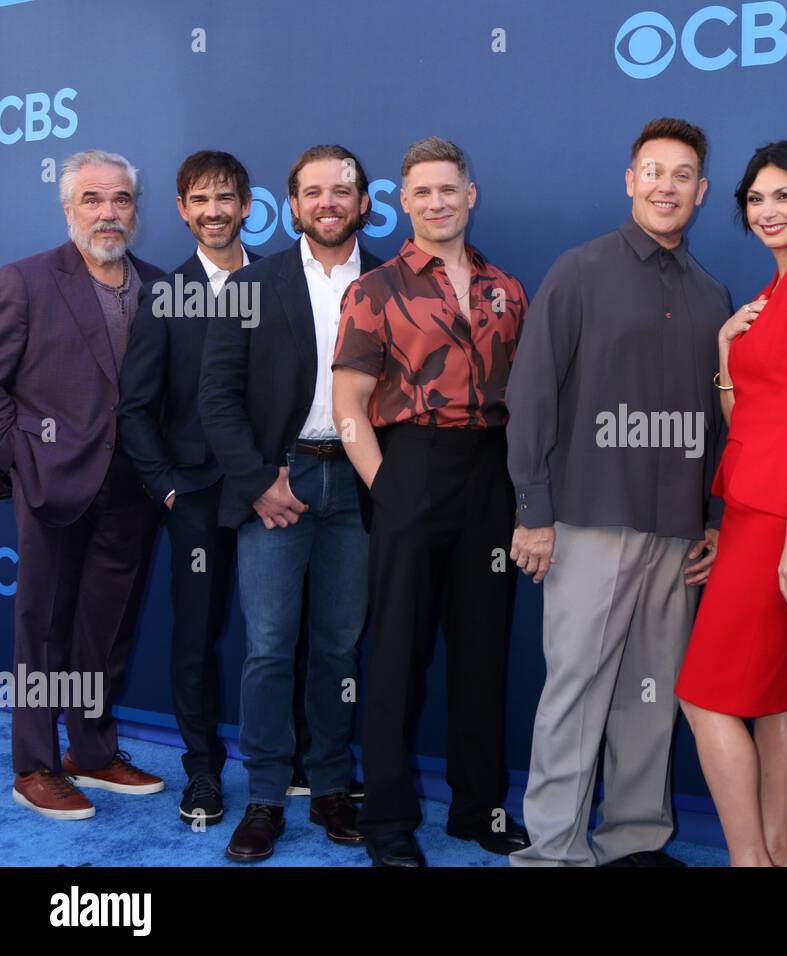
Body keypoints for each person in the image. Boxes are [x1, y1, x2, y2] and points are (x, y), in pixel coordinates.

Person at [506, 118, 730, 867]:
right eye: (653, 171)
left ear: (700, 192)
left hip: (676, 529)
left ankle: (634, 840)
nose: (666, 186)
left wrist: (710, 519)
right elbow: (532, 396)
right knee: (575, 692)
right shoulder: (579, 271)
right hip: (589, 517)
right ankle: (553, 850)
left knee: (651, 691)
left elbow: (715, 420)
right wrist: (532, 514)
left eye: (682, 175)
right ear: (630, 181)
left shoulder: (711, 293)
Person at [333, 137, 530, 867]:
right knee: (395, 657)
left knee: (484, 650)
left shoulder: (507, 288)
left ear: (470, 195)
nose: (437, 202)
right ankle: (387, 822)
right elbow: (348, 403)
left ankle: (478, 809)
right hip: (408, 468)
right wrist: (388, 489)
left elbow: (529, 400)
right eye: (421, 192)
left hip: (491, 475)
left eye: (449, 189)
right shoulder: (375, 290)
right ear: (402, 201)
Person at [199, 144, 381, 861]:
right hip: (281, 482)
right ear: (292, 204)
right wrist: (256, 482)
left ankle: (331, 783)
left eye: (342, 190)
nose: (328, 202)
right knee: (269, 649)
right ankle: (267, 796)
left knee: (338, 648)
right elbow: (216, 396)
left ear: (365, 201)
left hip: (359, 486)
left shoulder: (396, 280)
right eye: (313, 192)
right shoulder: (256, 281)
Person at [675, 142, 787, 867]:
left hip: (786, 513)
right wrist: (723, 350)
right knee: (775, 693)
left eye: (784, 196)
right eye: (756, 199)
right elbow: (743, 410)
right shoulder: (776, 291)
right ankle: (781, 852)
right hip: (754, 505)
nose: (768, 211)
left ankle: (750, 858)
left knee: (704, 697)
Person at [1, 149, 166, 820]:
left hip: (131, 492)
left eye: (120, 199)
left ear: (136, 208)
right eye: (93, 200)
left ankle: (90, 753)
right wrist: (23, 456)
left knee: (106, 628)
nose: (108, 212)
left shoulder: (159, 287)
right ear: (68, 209)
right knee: (43, 630)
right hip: (52, 487)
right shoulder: (26, 280)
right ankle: (34, 765)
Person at [119, 150, 257, 825]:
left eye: (224, 198)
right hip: (196, 499)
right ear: (181, 209)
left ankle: (280, 771)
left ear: (247, 205)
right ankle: (202, 771)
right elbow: (135, 408)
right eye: (199, 200)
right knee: (196, 635)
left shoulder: (281, 284)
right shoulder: (163, 294)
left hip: (272, 492)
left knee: (279, 634)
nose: (212, 211)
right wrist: (168, 490)